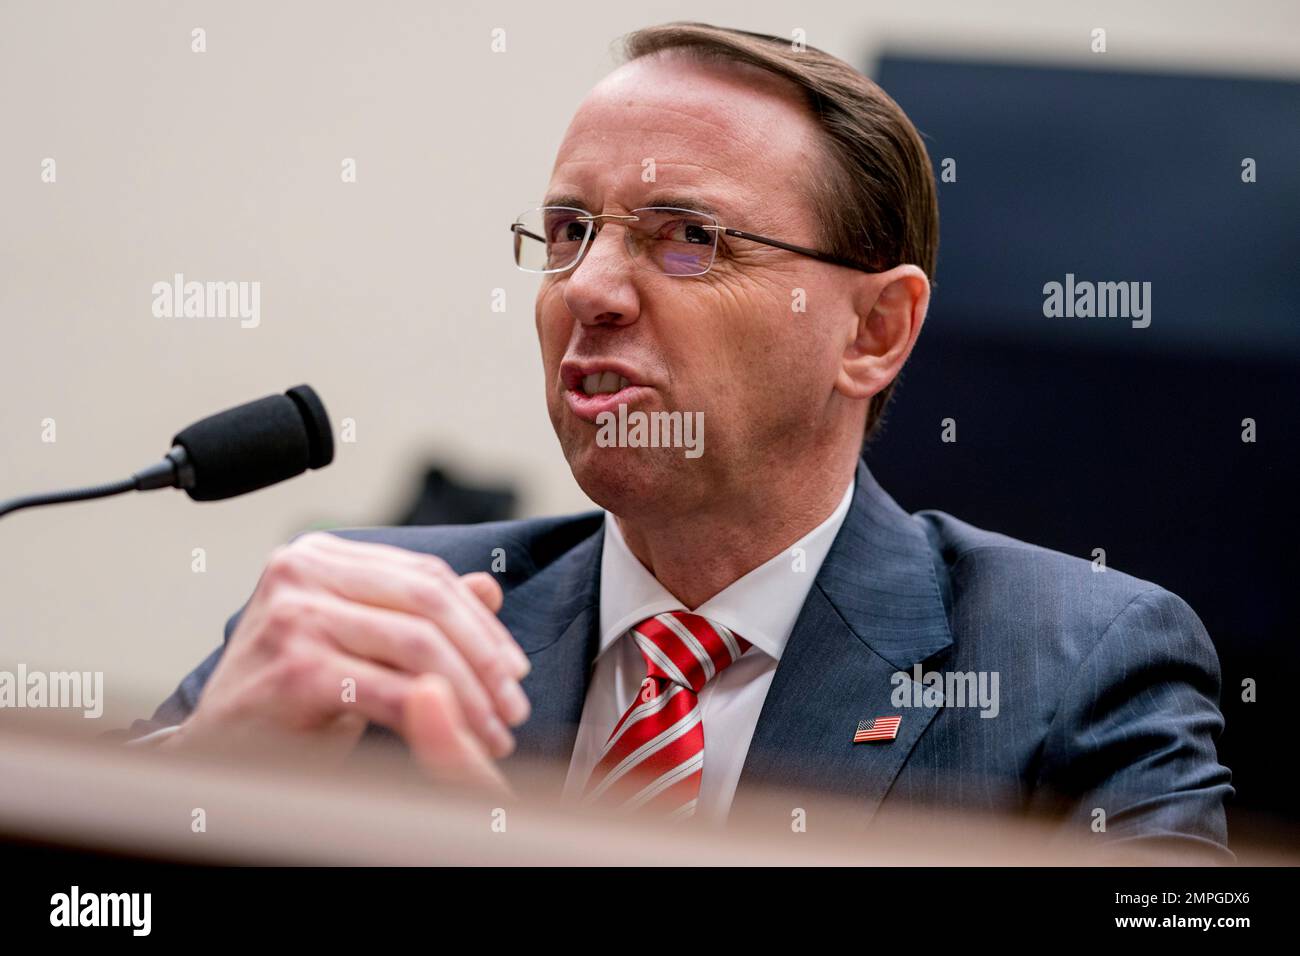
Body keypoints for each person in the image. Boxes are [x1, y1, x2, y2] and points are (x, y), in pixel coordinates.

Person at [127, 22, 1232, 858]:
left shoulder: (1073, 665)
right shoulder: (371, 621)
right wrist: (198, 784)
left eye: (688, 238)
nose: (589, 289)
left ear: (874, 330)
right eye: (568, 231)